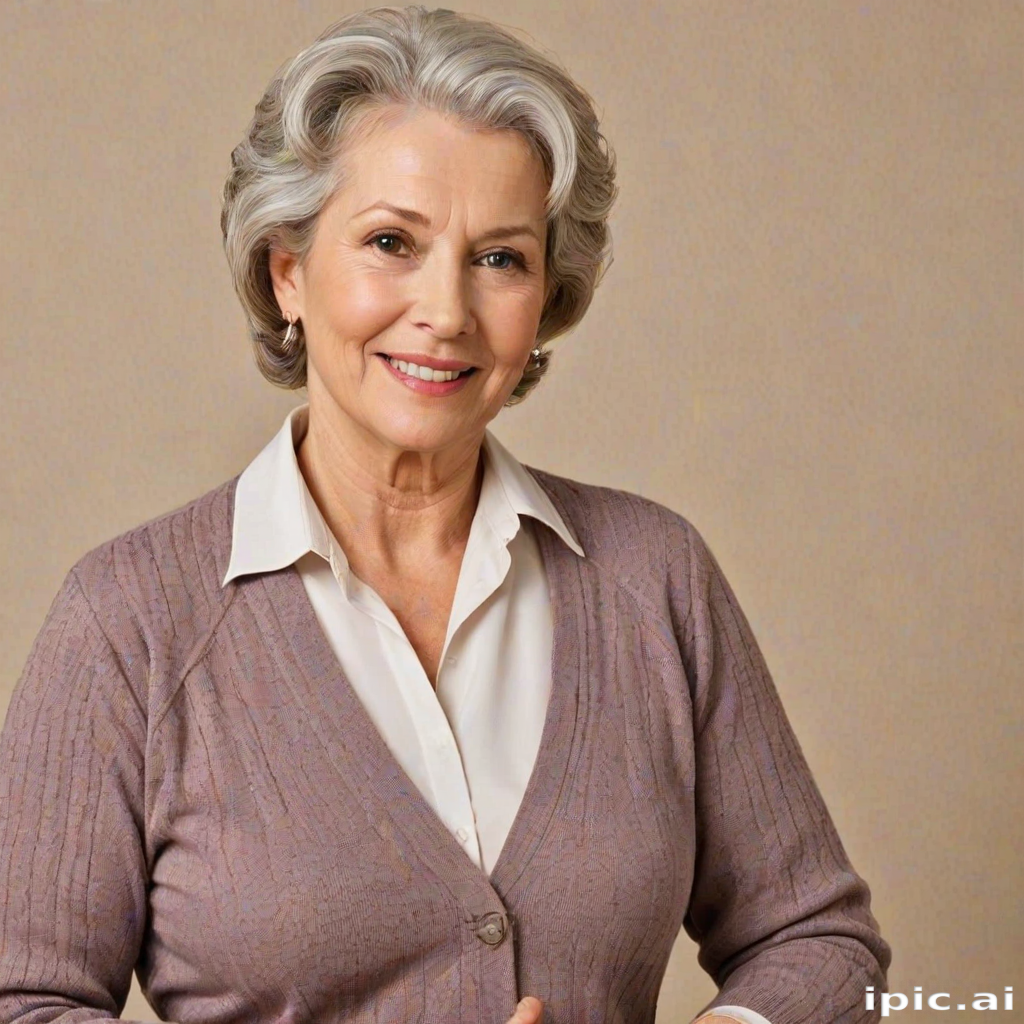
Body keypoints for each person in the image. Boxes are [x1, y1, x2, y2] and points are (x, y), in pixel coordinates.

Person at [0, 6, 891, 1023]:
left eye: (500, 258)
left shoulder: (653, 577)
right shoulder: (129, 621)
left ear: (546, 296)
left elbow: (821, 944)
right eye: (391, 242)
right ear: (288, 274)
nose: (447, 311)